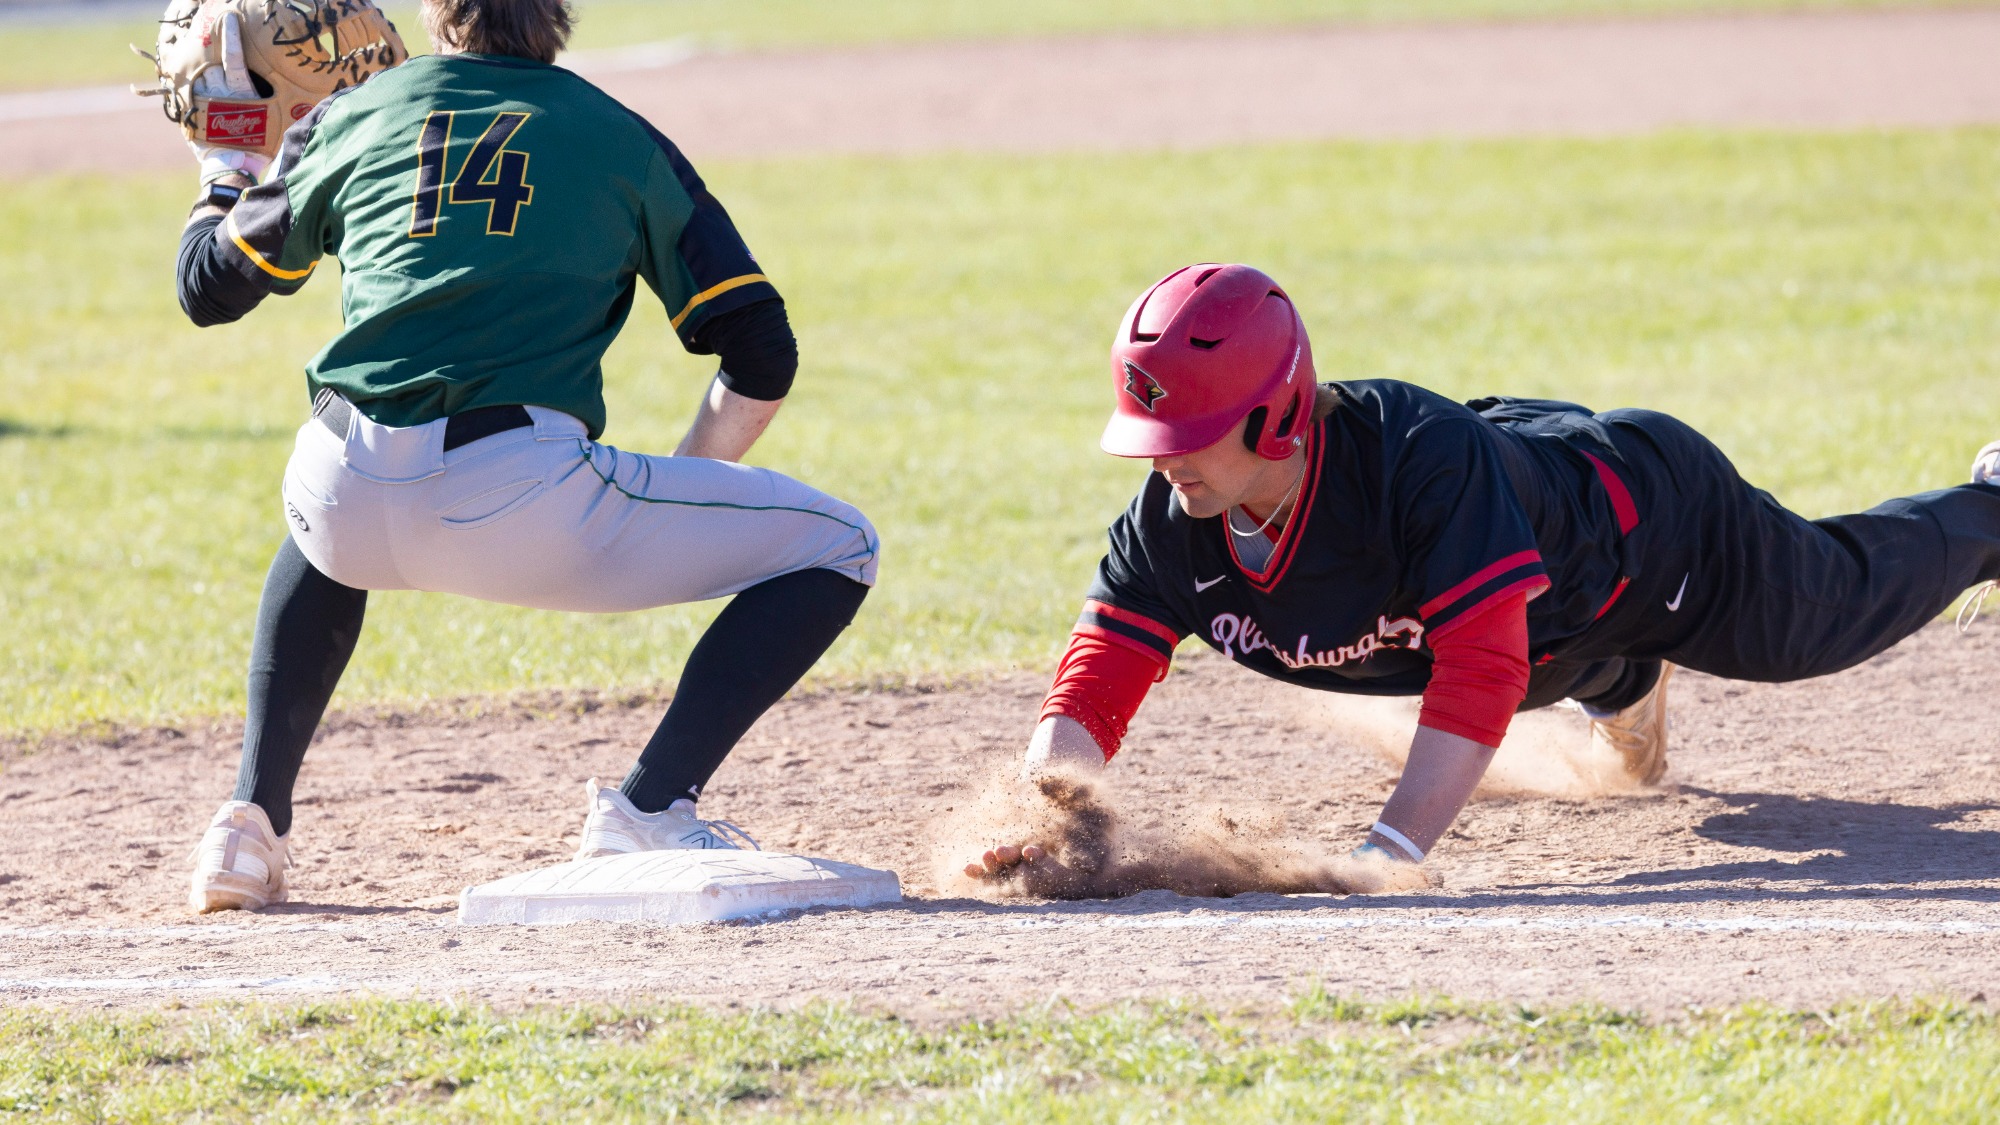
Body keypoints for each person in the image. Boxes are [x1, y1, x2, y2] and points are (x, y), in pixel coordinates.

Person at [969, 262, 2000, 884]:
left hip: (1654, 538)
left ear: (1276, 413)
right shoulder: (1173, 517)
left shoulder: (1413, 463)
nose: (1162, 454)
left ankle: (1988, 507)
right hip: (1527, 616)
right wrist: (1044, 812)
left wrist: (1385, 855)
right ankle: (1616, 680)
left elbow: (1476, 677)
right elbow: (1100, 668)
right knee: (1474, 640)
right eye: (1150, 430)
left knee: (1816, 624)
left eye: (1188, 431)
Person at [177, 0, 878, 913]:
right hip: (527, 503)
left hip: (337, 486)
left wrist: (227, 161)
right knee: (841, 545)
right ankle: (651, 804)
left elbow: (207, 290)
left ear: (434, 15)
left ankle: (245, 826)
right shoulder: (615, 133)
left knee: (325, 519)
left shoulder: (349, 116)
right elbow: (762, 350)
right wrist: (692, 482)